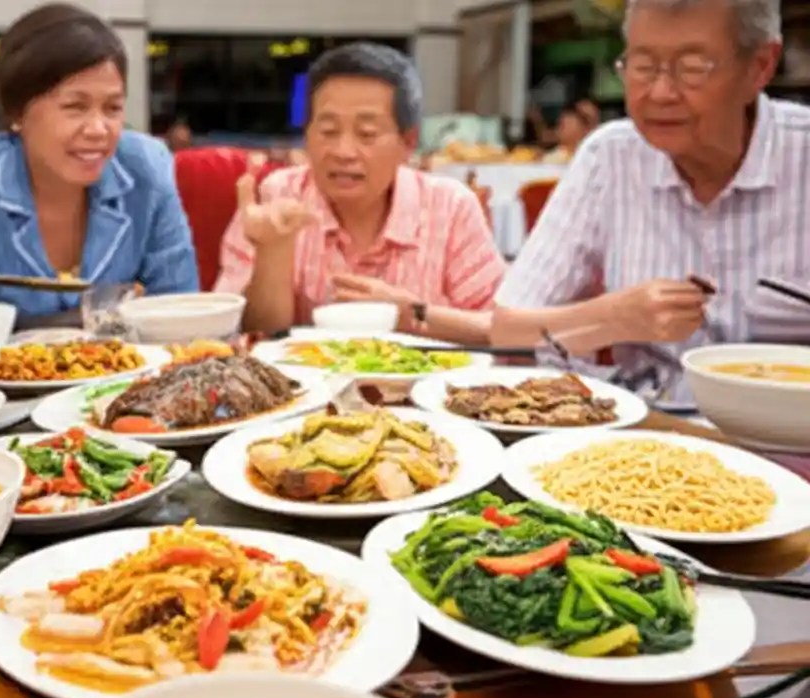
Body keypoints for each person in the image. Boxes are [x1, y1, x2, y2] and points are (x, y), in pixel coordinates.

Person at [494, 0, 805, 403]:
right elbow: (508, 327)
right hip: (648, 431)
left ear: (760, 66)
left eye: (692, 67)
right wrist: (614, 318)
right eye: (642, 66)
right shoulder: (611, 158)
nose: (660, 92)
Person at [0, 2, 199, 325]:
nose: (98, 129)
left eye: (113, 108)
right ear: (17, 112)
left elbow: (180, 313)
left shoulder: (148, 167)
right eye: (75, 107)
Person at [213, 43, 507, 337]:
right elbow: (252, 336)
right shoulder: (278, 196)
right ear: (307, 135)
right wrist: (272, 251)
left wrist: (410, 314)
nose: (343, 151)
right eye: (328, 131)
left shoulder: (450, 206)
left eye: (367, 134)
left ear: (408, 141)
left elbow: (502, 329)